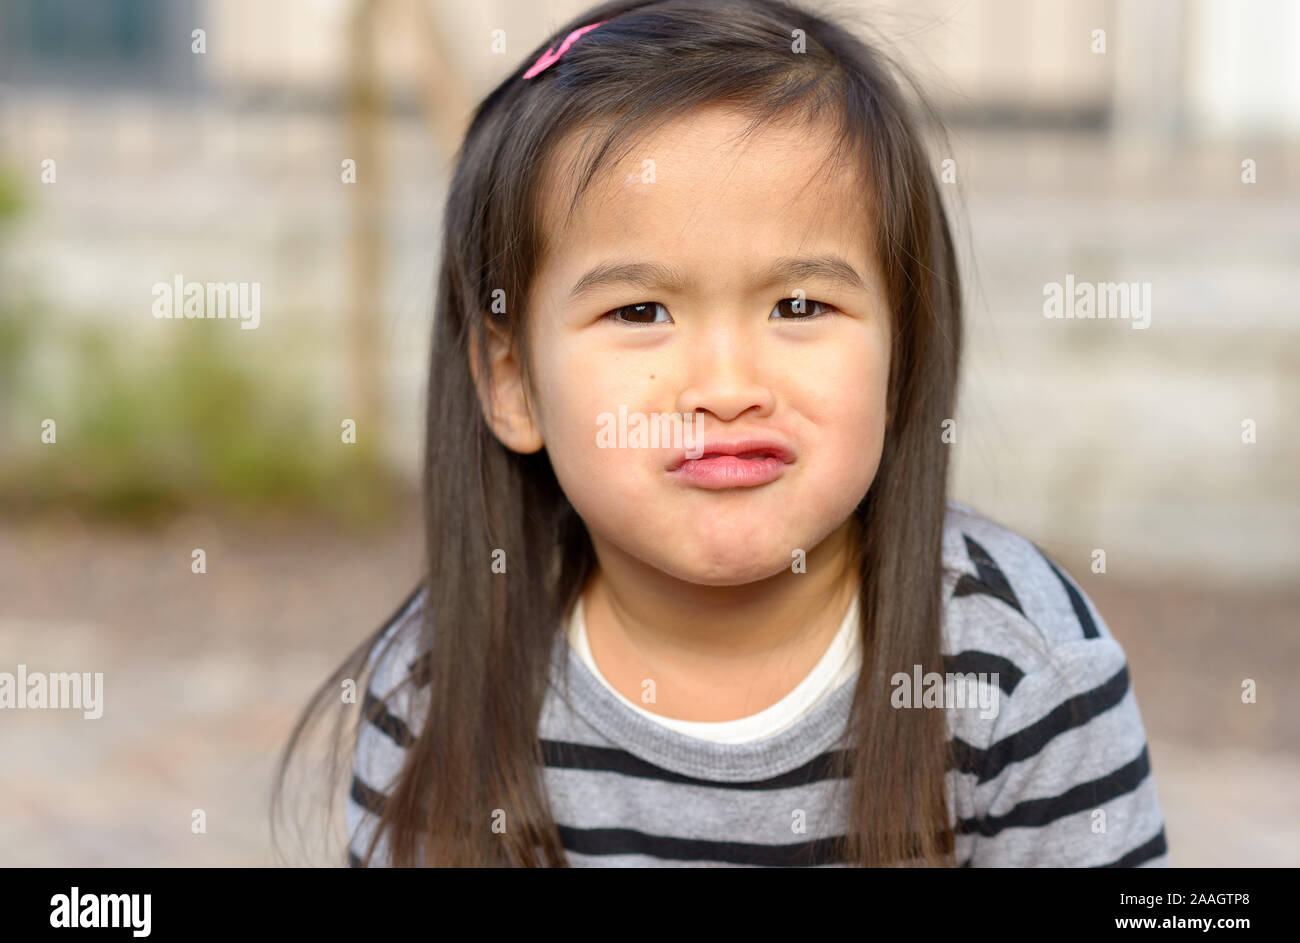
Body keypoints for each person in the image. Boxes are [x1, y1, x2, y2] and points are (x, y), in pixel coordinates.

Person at [278, 0, 1168, 867]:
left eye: (800, 304)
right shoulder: (440, 687)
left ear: (900, 356)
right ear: (512, 383)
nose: (728, 388)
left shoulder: (1012, 669)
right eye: (640, 310)